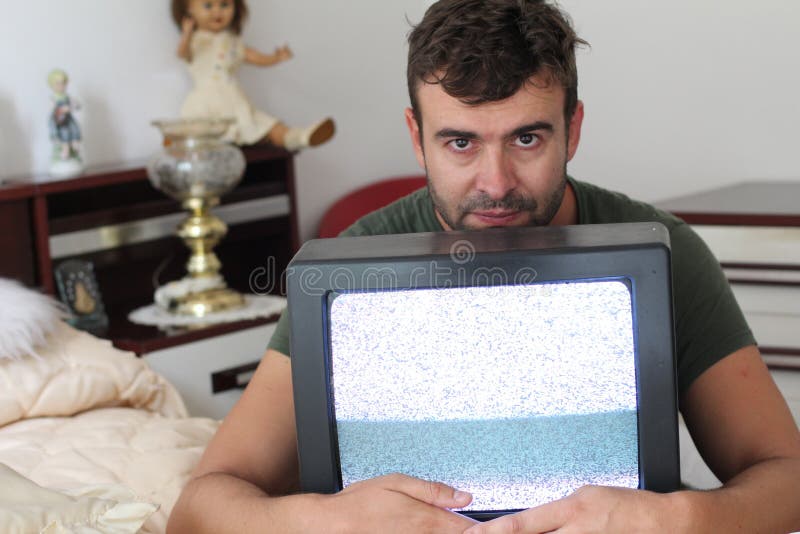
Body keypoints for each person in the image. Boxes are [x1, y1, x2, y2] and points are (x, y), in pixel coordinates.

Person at [167, 1, 800, 532]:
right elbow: (199, 508)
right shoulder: (353, 267)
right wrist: (327, 519)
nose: (495, 184)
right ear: (417, 137)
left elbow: (787, 476)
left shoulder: (668, 250)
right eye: (460, 142)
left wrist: (678, 519)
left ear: (571, 129)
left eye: (527, 139)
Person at [170, 0, 335, 150]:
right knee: (204, 135)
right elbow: (183, 54)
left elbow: (255, 57)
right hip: (206, 102)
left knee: (265, 124)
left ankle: (298, 137)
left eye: (225, 4)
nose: (217, 12)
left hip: (234, 99)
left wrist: (276, 57)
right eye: (208, 5)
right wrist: (186, 34)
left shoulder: (233, 41)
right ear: (189, 9)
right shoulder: (196, 41)